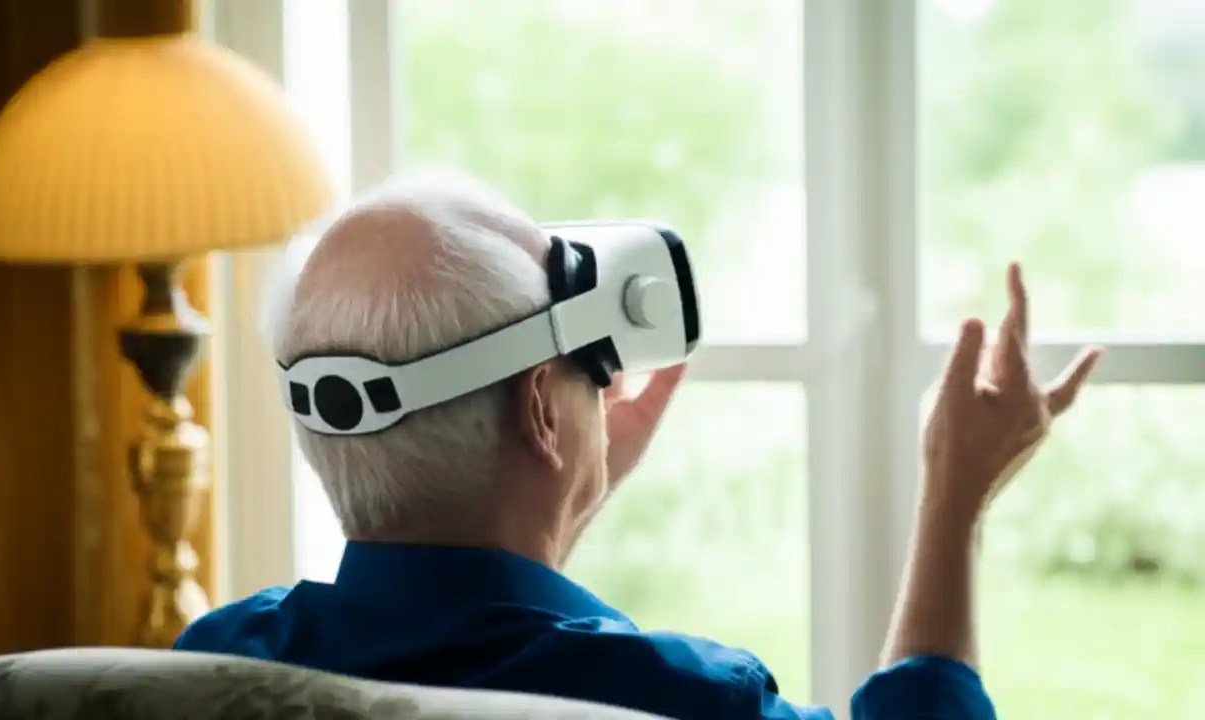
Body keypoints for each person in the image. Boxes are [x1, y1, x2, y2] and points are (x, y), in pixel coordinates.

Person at [174, 174, 1102, 719]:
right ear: (540, 406)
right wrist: (956, 497)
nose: (611, 384)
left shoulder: (216, 667)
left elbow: (461, 648)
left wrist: (553, 496)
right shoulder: (673, 700)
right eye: (591, 363)